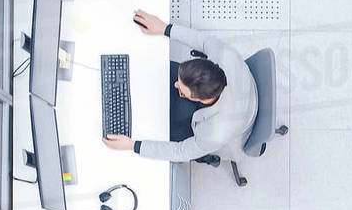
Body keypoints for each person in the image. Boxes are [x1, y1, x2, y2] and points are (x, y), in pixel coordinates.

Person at [102, 9, 258, 164]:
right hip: (241, 87)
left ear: (201, 100)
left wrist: (133, 145)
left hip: (238, 115)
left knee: (169, 129)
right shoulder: (225, 55)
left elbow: (180, 151)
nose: (176, 84)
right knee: (169, 70)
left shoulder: (214, 132)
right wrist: (165, 28)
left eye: (182, 91)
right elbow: (203, 40)